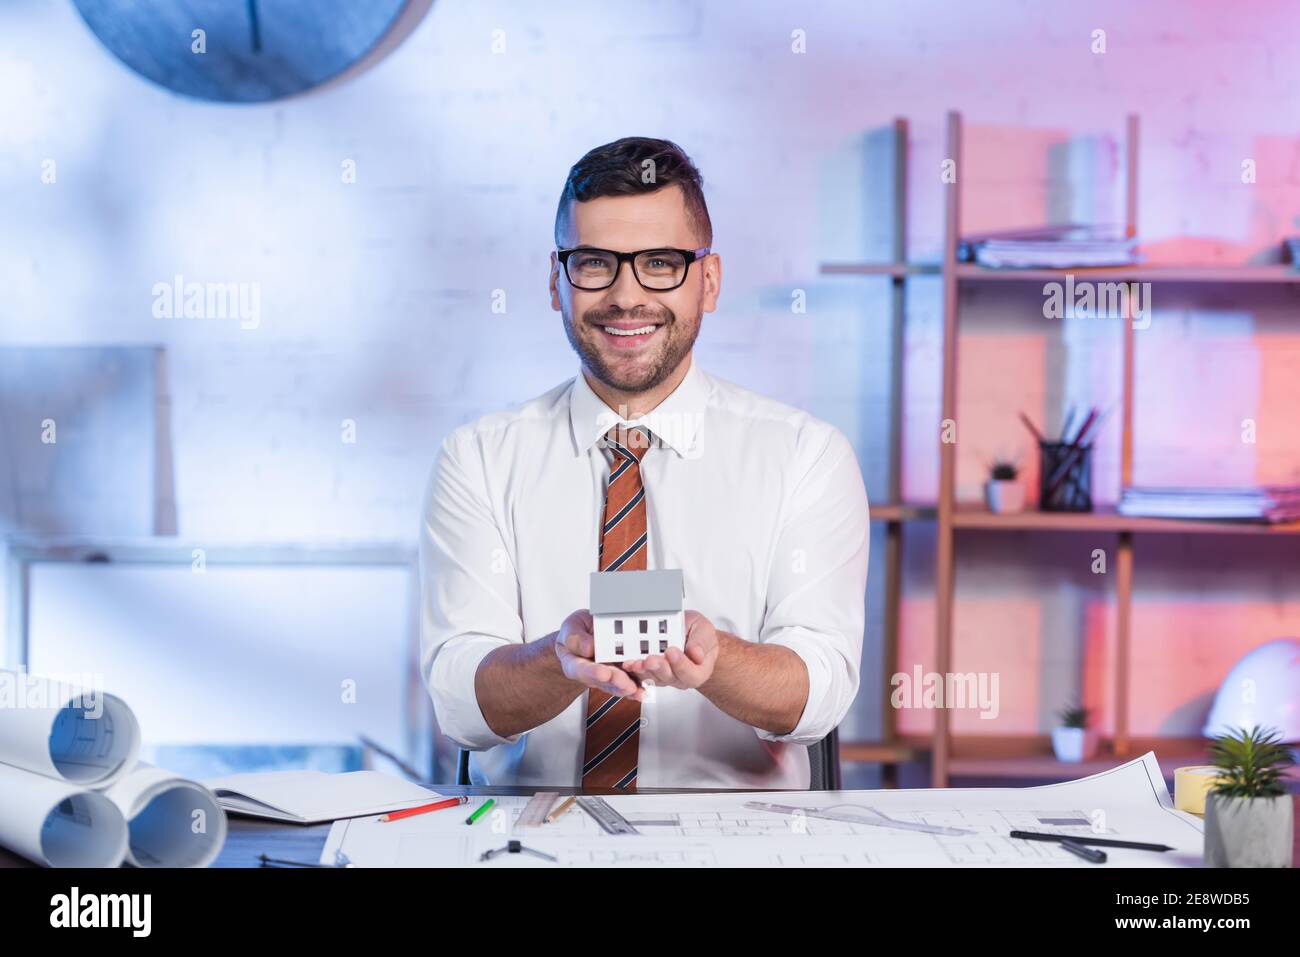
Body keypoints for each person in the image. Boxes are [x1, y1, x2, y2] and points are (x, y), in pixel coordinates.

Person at [420, 136, 869, 789]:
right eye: (596, 262)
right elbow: (459, 701)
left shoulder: (806, 456)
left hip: (737, 845)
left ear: (707, 281)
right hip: (534, 837)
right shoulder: (478, 458)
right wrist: (556, 659)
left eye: (660, 263)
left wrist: (716, 659)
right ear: (556, 281)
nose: (627, 296)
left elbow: (820, 690)